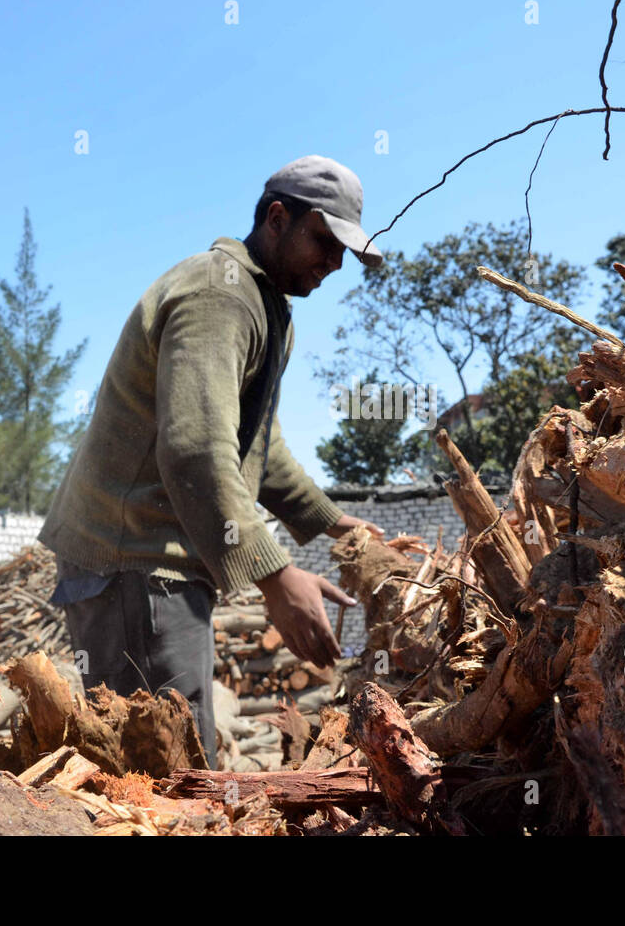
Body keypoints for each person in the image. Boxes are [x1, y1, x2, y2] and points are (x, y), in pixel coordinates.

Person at [38, 156, 386, 769]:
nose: (334, 263)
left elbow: (259, 447)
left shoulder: (265, 306)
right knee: (163, 778)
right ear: (277, 218)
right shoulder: (219, 294)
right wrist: (277, 579)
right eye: (324, 241)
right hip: (136, 566)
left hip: (151, 567)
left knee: (161, 772)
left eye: (343, 252)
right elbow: (196, 448)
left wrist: (337, 524)